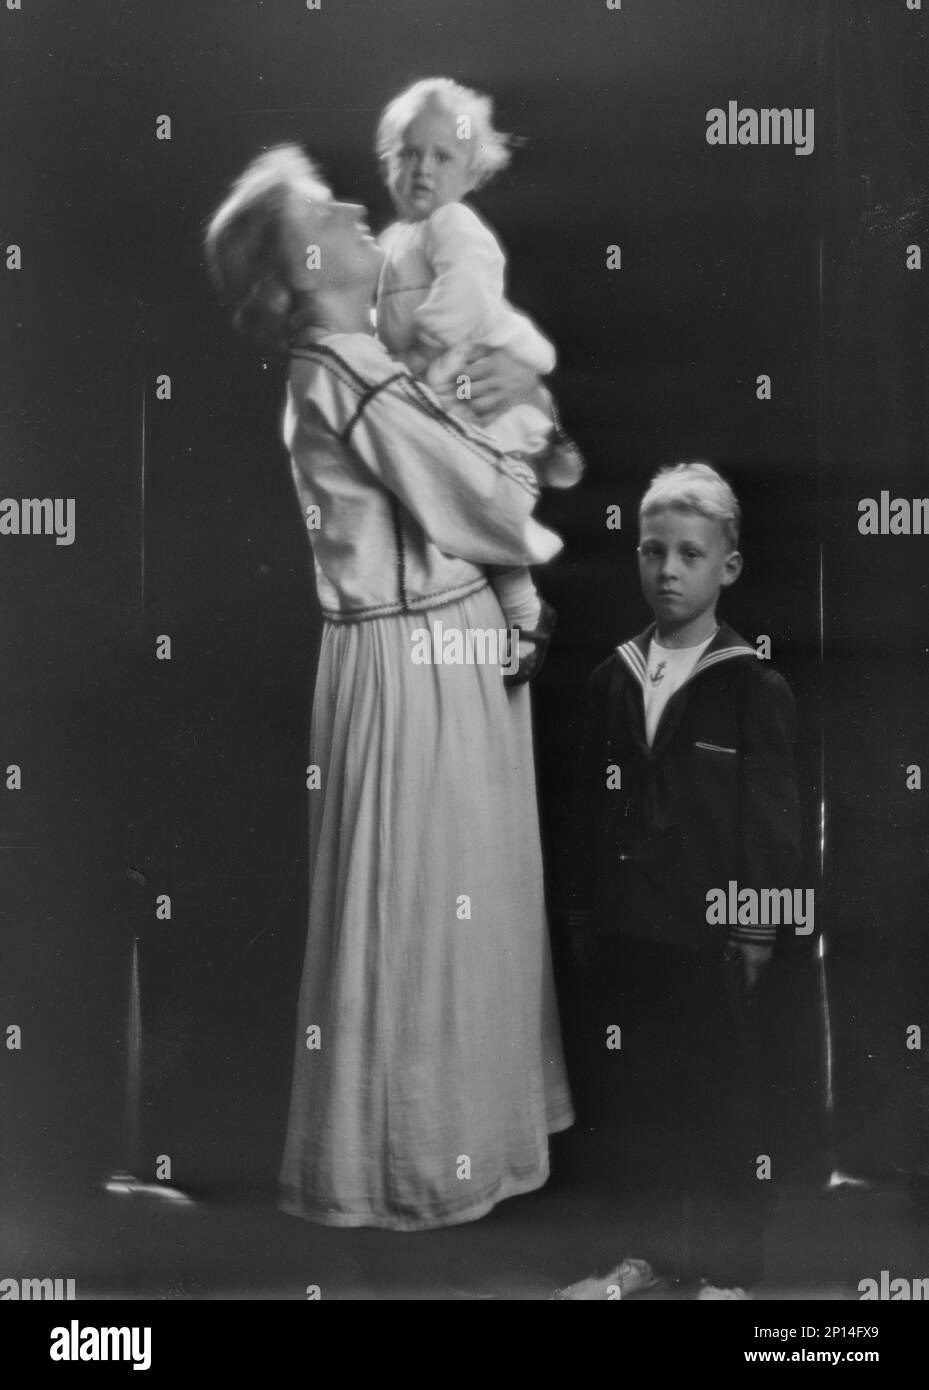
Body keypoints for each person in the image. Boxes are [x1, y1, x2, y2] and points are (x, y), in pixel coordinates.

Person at [204, 145, 574, 1231]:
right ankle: (409, 1176)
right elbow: (481, 497)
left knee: (453, 904)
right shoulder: (346, 370)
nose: (364, 205)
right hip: (414, 658)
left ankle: (430, 1162)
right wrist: (537, 436)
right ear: (303, 267)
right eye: (331, 207)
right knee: (420, 905)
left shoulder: (363, 358)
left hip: (429, 650)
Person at [556, 462, 802, 1299]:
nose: (668, 570)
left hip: (714, 938)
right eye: (653, 551)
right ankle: (637, 1258)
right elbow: (589, 806)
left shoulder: (751, 685)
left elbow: (770, 820)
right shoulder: (610, 679)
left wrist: (756, 928)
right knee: (634, 1102)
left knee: (722, 1111)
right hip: (627, 929)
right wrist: (586, 910)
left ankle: (727, 1276)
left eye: (689, 554)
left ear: (725, 567)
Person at [375, 77, 584, 683]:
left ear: (471, 175)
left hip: (465, 382)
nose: (422, 170)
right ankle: (517, 606)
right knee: (453, 509)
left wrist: (419, 349)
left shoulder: (453, 225)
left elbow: (466, 291)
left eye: (442, 157)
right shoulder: (392, 242)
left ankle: (525, 611)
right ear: (388, 162)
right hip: (431, 393)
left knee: (473, 506)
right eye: (408, 153)